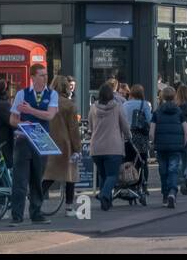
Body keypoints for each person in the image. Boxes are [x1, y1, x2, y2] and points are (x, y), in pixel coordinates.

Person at [9, 63, 59, 225]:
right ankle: (16, 216)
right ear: (33, 77)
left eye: (46, 75)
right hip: (23, 139)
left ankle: (36, 213)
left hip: (42, 139)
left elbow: (49, 116)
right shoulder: (21, 94)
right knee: (20, 180)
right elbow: (13, 119)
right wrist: (24, 126)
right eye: (42, 75)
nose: (45, 78)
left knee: (37, 179)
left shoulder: (52, 94)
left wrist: (30, 111)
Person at [41, 75, 81, 218]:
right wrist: (77, 148)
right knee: (69, 176)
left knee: (49, 175)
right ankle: (69, 208)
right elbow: (73, 129)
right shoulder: (69, 105)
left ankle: (36, 199)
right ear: (65, 87)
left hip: (47, 142)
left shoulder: (45, 102)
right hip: (65, 144)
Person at [89, 81, 131, 211]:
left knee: (103, 175)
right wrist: (129, 136)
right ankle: (104, 195)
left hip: (96, 147)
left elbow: (90, 127)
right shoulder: (117, 107)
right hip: (113, 147)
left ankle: (106, 203)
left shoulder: (93, 108)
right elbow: (124, 126)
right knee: (112, 175)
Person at [150, 84, 187, 208]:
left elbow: (151, 132)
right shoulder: (179, 112)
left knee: (163, 171)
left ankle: (165, 196)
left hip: (161, 147)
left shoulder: (157, 112)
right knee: (173, 170)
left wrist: (153, 142)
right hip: (176, 147)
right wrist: (183, 143)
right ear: (174, 97)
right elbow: (186, 131)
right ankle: (172, 192)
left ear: (162, 97)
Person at [121, 83, 152, 195]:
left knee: (129, 161)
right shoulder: (145, 105)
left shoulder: (125, 105)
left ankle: (130, 183)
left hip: (127, 136)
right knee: (143, 162)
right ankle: (143, 184)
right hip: (141, 137)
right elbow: (149, 120)